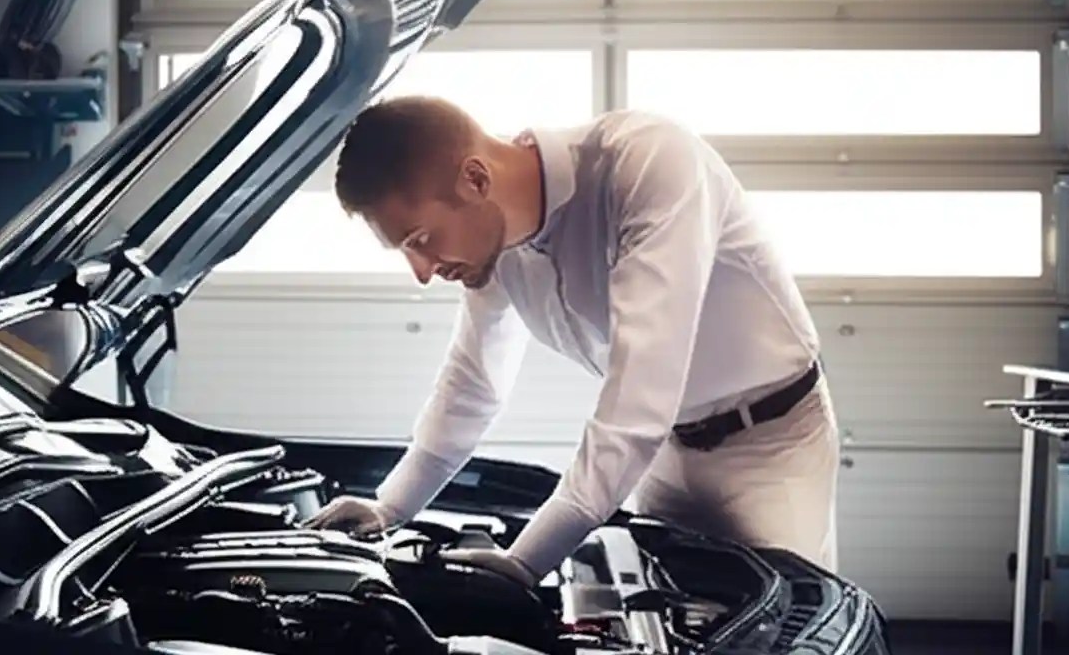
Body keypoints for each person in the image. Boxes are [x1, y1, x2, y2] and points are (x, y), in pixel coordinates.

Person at [305, 95, 841, 586]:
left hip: (773, 447)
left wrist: (526, 562)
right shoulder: (493, 247)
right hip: (666, 454)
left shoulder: (650, 162)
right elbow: (472, 387)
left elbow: (638, 400)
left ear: (474, 179)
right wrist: (389, 508)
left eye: (420, 240)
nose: (422, 271)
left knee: (781, 627)